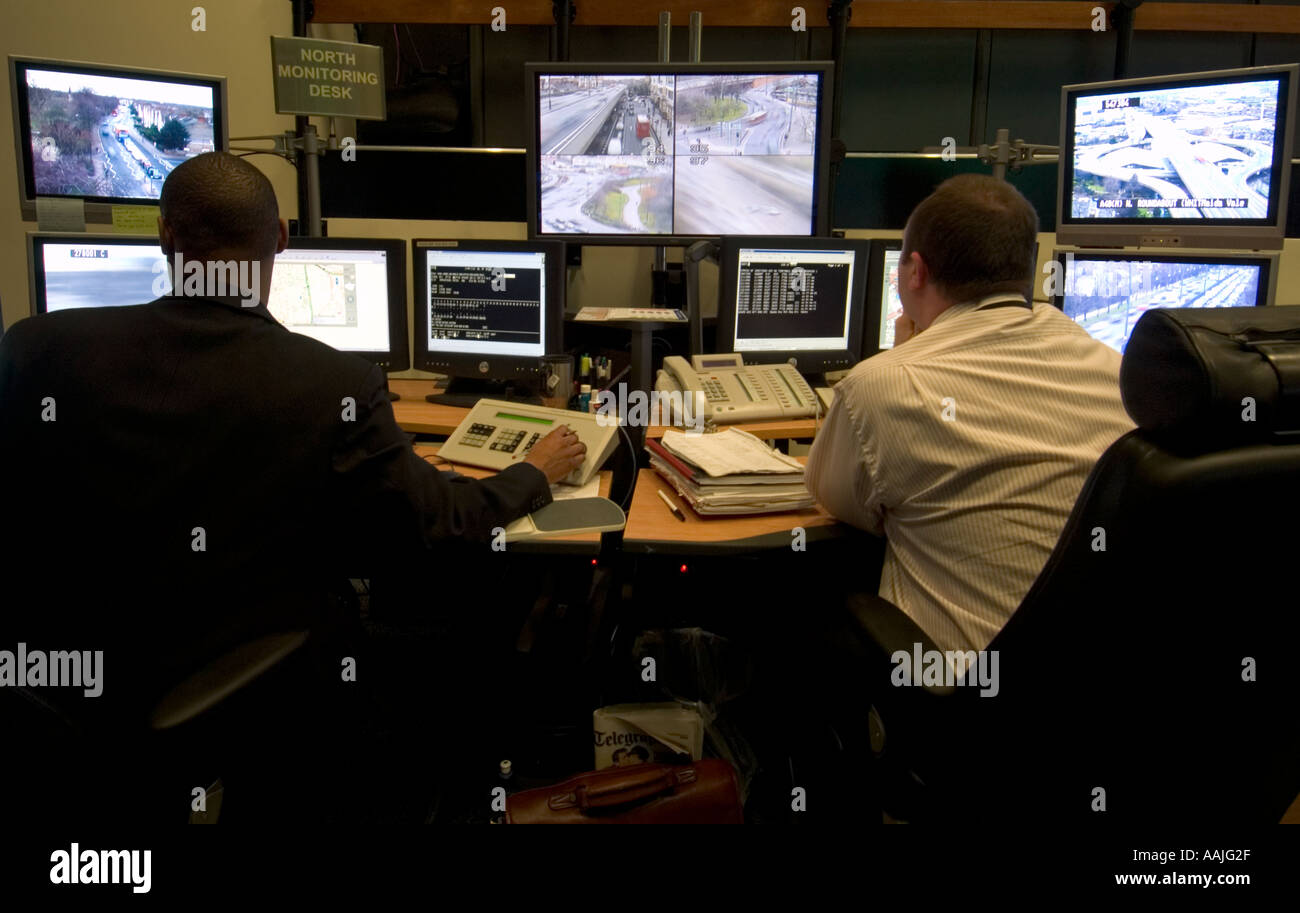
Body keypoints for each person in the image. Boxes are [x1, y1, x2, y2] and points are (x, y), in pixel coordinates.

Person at [0, 152, 586, 818]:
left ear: (163, 235)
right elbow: (438, 522)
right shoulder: (329, 386)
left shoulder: (34, 349)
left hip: (64, 683)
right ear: (280, 237)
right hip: (235, 675)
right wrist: (532, 472)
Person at [806, 174, 1134, 655]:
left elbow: (838, 500)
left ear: (914, 271)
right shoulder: (1116, 371)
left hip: (961, 698)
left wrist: (899, 363)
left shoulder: (882, 387)